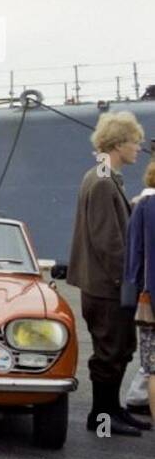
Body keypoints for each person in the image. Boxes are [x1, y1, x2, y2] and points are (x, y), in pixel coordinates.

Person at [67, 111, 147, 436]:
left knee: (119, 349)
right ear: (118, 144)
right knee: (109, 353)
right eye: (134, 142)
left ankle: (112, 411)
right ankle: (101, 419)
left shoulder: (104, 177)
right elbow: (108, 242)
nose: (139, 148)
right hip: (107, 288)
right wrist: (127, 282)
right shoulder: (102, 181)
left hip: (105, 286)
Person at [121, 159, 155, 423]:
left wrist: (129, 294)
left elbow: (134, 253)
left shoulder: (142, 206)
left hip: (149, 298)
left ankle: (140, 400)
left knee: (152, 365)